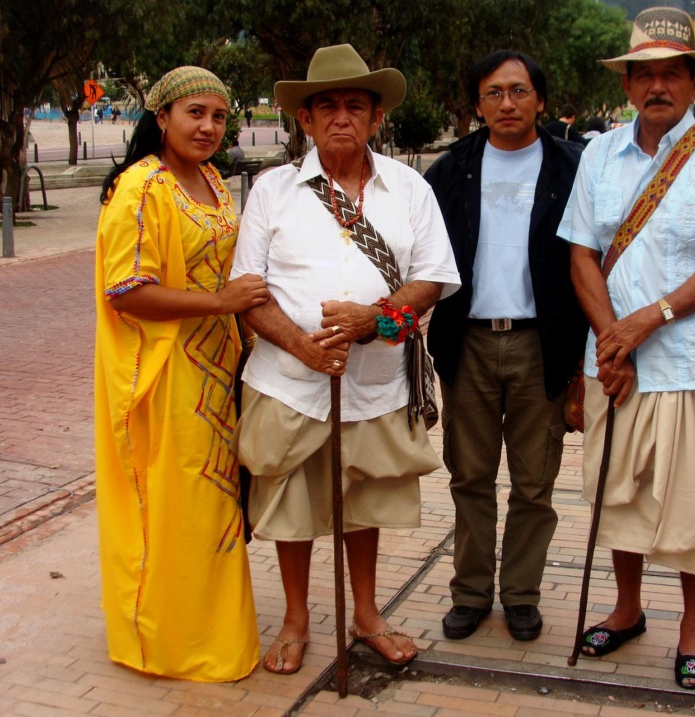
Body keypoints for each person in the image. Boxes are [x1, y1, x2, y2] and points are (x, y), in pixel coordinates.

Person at [558, 7, 695, 690]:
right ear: (627, 86)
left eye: (670, 74)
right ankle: (626, 608)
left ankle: (694, 625)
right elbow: (582, 255)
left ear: (693, 82)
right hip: (617, 366)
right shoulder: (598, 153)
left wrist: (649, 318)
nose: (657, 86)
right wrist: (609, 337)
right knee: (617, 496)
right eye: (643, 74)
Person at [230, 44, 460, 675]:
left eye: (354, 105)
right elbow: (247, 292)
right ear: (303, 120)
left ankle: (366, 614)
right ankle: (297, 619)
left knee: (364, 503)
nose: (340, 117)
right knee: (294, 503)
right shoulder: (272, 192)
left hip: (377, 383)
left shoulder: (409, 188)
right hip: (288, 381)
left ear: (375, 116)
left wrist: (372, 321)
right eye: (325, 105)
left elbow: (433, 279)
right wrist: (301, 345)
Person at [94, 66, 270, 682]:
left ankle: (216, 635)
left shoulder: (215, 182)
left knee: (219, 500)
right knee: (185, 500)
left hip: (221, 369)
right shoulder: (142, 189)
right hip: (168, 376)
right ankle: (170, 641)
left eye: (219, 116)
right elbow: (128, 291)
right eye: (195, 113)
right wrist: (223, 303)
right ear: (161, 117)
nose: (208, 127)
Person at [424, 50, 586, 642]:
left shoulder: (573, 167)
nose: (507, 103)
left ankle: (520, 595)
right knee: (469, 475)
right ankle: (469, 593)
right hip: (466, 343)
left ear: (540, 100)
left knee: (533, 482)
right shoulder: (451, 170)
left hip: (540, 345)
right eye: (493, 93)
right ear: (477, 105)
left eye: (519, 91)